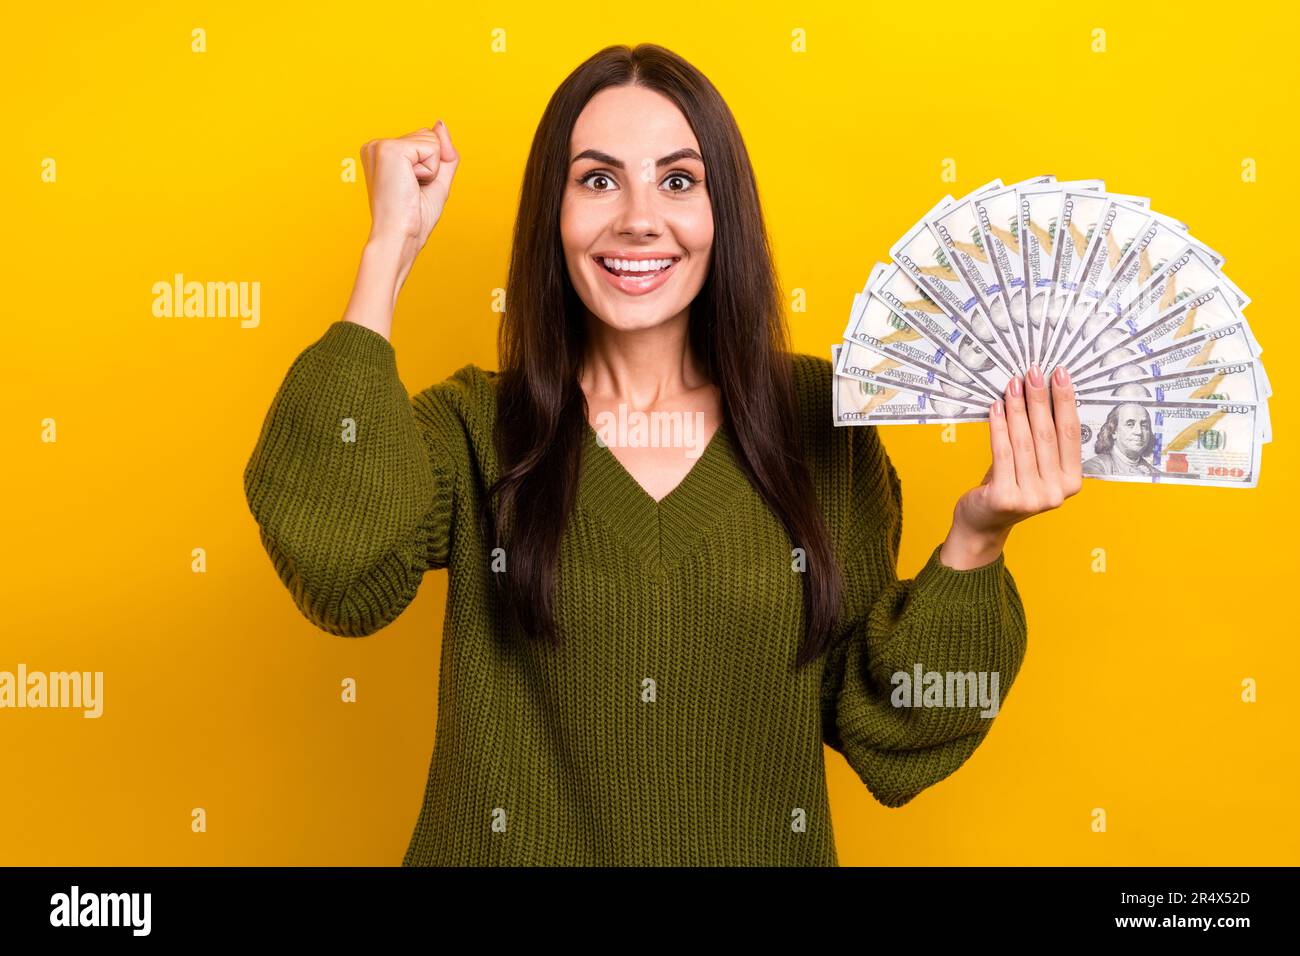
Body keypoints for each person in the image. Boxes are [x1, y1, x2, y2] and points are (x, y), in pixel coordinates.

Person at [242, 43, 1083, 866]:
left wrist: (977, 541)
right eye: (598, 180)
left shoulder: (818, 423)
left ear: (726, 216)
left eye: (678, 181)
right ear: (554, 214)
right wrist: (390, 249)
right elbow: (341, 572)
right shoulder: (475, 427)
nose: (638, 217)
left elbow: (882, 725)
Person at [1082, 402, 1157, 476]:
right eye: (1130, 424)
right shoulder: (1092, 468)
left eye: (1144, 425)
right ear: (1114, 431)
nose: (1139, 432)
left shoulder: (1156, 473)